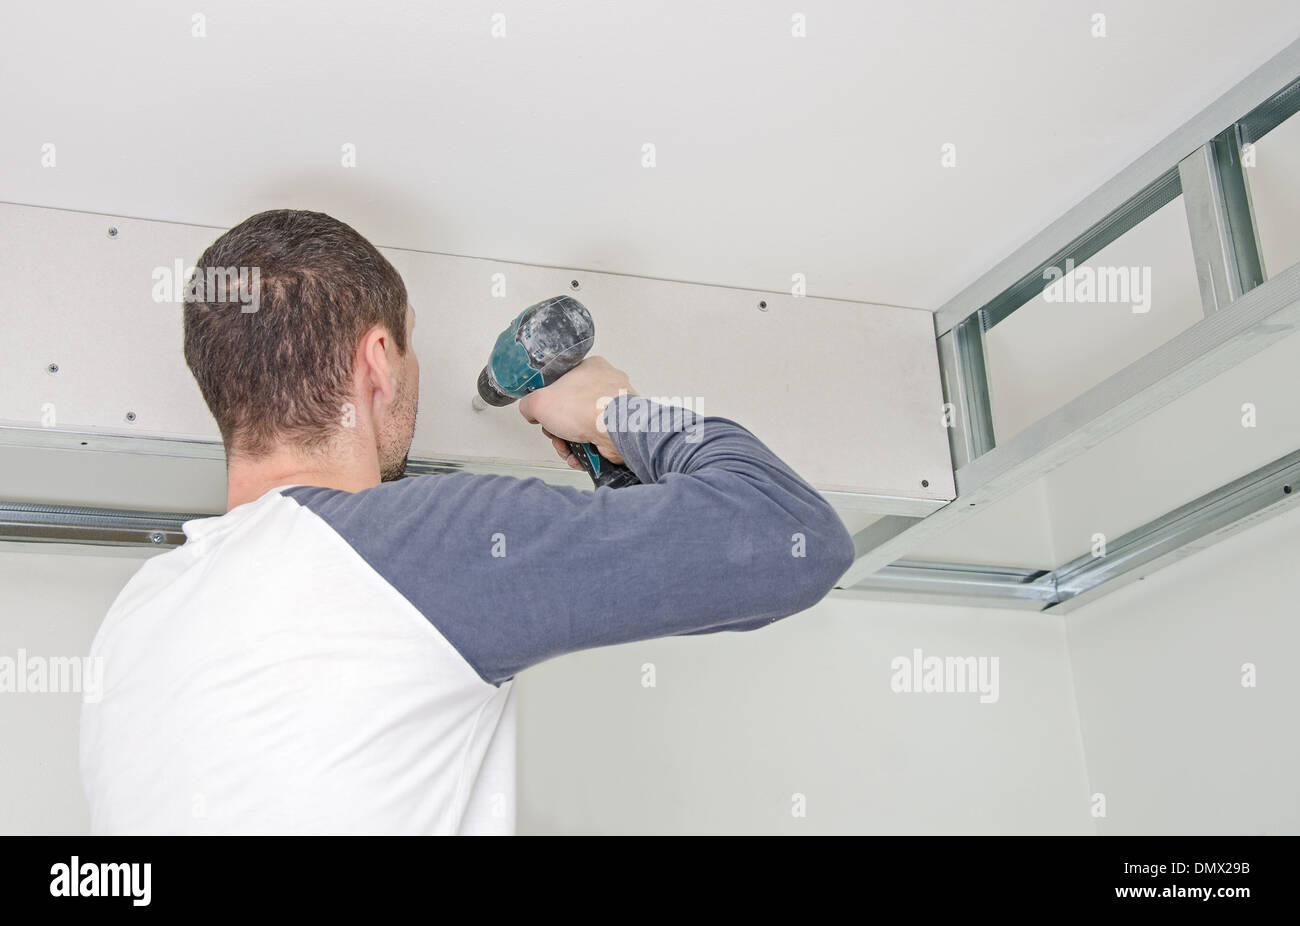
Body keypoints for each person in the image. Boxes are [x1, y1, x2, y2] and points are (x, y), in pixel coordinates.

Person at [79, 209, 856, 835]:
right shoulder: (418, 546)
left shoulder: (138, 615)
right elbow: (793, 536)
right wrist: (614, 412)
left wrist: (615, 486)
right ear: (379, 359)